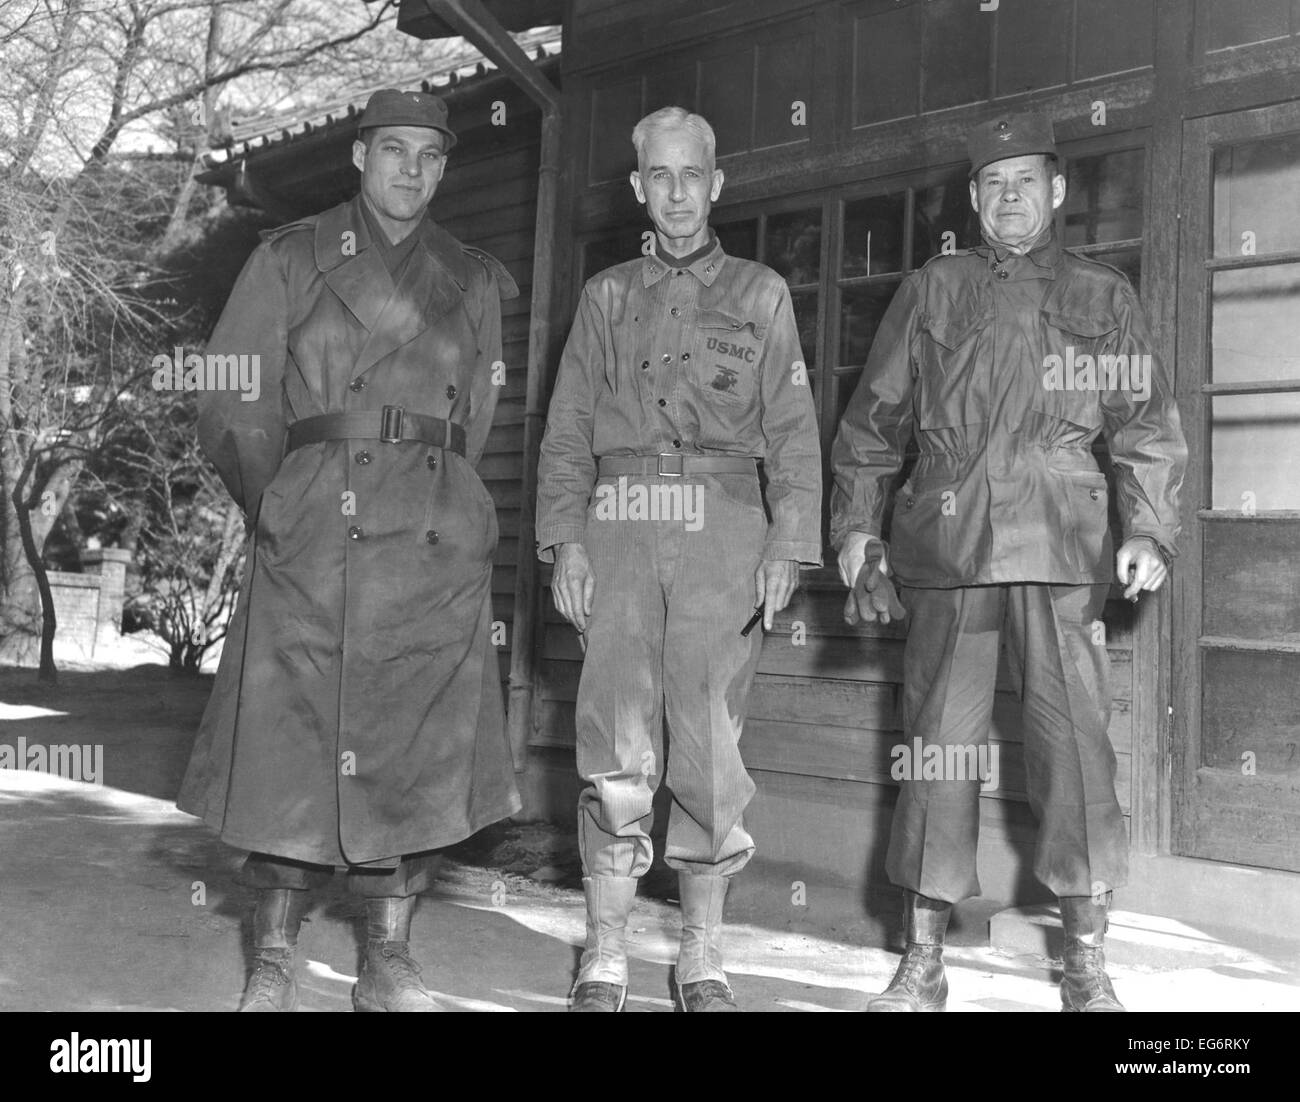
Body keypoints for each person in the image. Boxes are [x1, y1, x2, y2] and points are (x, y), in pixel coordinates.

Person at [830, 111, 1187, 1012]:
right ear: (974, 198)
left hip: (1063, 546)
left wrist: (1148, 529)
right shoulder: (932, 288)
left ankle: (1084, 960)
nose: (1010, 197)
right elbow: (873, 421)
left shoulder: (1102, 296)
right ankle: (922, 959)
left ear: (1057, 191)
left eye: (1026, 180)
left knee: (1074, 749)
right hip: (948, 550)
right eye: (992, 183)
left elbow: (1143, 425)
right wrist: (855, 527)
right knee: (936, 752)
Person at [178, 88, 521, 1012]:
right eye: (395, 150)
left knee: (419, 747)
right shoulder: (289, 258)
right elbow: (230, 398)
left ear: (446, 166)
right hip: (314, 531)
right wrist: (281, 504)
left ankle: (390, 955)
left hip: (432, 543)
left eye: (432, 155)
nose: (413, 169)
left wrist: (445, 505)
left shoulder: (475, 277)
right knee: (291, 745)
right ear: (360, 157)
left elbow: (475, 419)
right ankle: (275, 956)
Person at [536, 106, 822, 1012]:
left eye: (691, 174)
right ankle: (607, 950)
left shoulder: (762, 293)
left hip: (722, 528)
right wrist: (565, 538)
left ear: (717, 181)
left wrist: (788, 539)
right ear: (638, 188)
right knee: (616, 741)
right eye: (658, 177)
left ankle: (701, 953)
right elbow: (569, 427)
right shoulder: (606, 296)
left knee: (707, 744)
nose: (677, 193)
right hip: (619, 521)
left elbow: (794, 432)